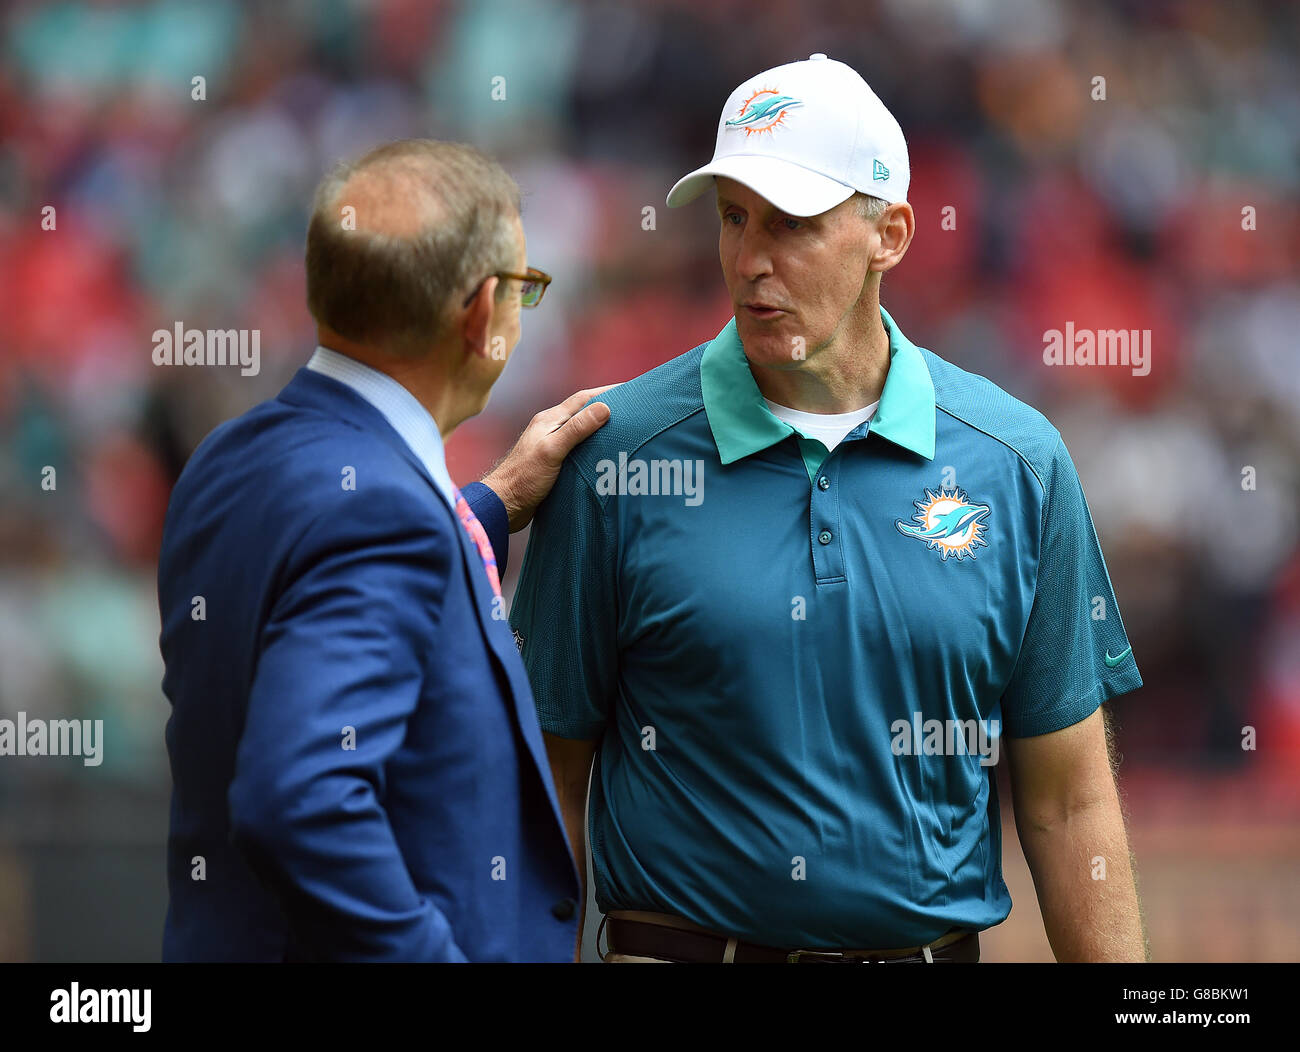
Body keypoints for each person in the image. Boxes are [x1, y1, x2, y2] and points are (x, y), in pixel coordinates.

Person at [511, 55, 1148, 963]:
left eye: (792, 224)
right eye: (733, 218)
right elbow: (549, 780)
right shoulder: (613, 454)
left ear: (889, 233)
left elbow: (1069, 800)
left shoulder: (1018, 463)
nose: (751, 260)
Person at [158, 139, 610, 962]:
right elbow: (300, 799)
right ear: (481, 315)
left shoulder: (229, 459)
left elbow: (330, 561)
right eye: (525, 290)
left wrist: (489, 506)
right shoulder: (386, 516)